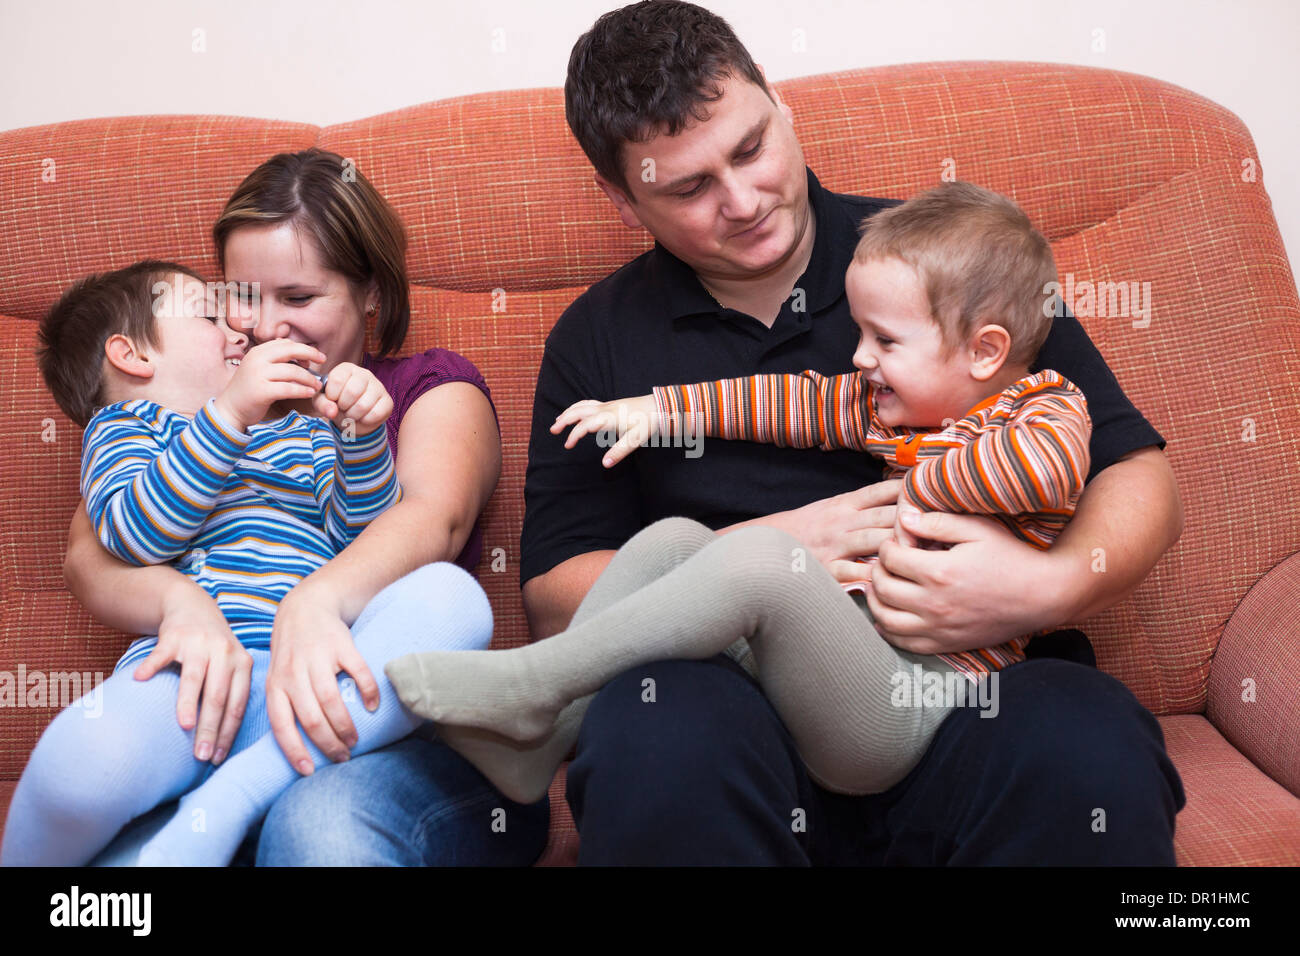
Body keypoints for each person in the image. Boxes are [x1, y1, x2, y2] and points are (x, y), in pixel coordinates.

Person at [516, 0, 1185, 864]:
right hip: (737, 715)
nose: (745, 200)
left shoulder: (946, 262)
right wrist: (761, 561)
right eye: (689, 187)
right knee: (653, 737)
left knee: (1087, 742)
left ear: (779, 104)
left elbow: (1138, 477)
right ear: (622, 198)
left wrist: (1045, 589)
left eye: (752, 147)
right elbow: (555, 595)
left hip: (965, 695)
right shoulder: (594, 340)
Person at [385, 180, 1093, 800]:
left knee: (762, 561)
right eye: (859, 335)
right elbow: (777, 404)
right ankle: (544, 737)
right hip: (832, 671)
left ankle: (530, 685)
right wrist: (660, 411)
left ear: (986, 352)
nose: (858, 357)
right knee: (673, 541)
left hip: (918, 706)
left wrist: (918, 470)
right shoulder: (886, 407)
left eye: (885, 341)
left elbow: (1042, 472)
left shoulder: (1045, 410)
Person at [60, 151, 549, 866]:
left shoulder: (427, 386)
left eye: (298, 297)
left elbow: (427, 521)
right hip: (216, 710)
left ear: (370, 292)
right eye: (243, 298)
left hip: (398, 737)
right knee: (122, 854)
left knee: (316, 828)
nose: (264, 328)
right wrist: (179, 603)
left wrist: (310, 603)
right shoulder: (195, 407)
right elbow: (91, 551)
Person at [4, 259, 477, 865]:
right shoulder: (126, 428)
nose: (241, 332)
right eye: (210, 317)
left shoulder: (299, 432)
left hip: (311, 679)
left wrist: (359, 442)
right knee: (84, 763)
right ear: (131, 357)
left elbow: (357, 532)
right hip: (188, 680)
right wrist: (227, 414)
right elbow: (135, 533)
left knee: (450, 597)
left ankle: (231, 798)